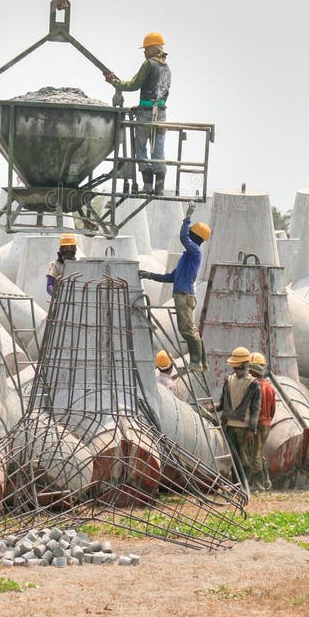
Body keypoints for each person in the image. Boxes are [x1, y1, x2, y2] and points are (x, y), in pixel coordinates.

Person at [138, 203, 211, 372]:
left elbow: (183, 237)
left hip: (184, 295)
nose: (189, 235)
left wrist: (187, 217)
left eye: (191, 232)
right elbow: (171, 277)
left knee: (186, 329)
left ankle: (196, 362)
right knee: (191, 329)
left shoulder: (194, 251)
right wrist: (149, 275)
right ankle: (203, 362)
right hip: (184, 294)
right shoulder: (187, 257)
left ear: (195, 236)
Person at [104, 32, 171, 196]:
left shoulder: (148, 64)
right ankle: (159, 188)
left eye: (146, 49)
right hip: (161, 114)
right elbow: (158, 93)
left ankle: (148, 186)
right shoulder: (166, 68)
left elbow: (134, 84)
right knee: (158, 149)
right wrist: (141, 105)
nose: (144, 52)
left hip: (147, 115)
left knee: (140, 146)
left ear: (153, 49)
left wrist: (113, 81)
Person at [216, 347, 261, 486]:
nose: (235, 369)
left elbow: (255, 409)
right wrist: (211, 408)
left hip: (244, 427)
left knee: (244, 459)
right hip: (229, 426)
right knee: (234, 458)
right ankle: (237, 485)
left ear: (243, 365)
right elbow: (222, 403)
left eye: (236, 366)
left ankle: (243, 485)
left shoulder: (253, 384)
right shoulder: (229, 380)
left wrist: (251, 429)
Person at [248, 352, 275, 491]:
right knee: (260, 452)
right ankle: (266, 482)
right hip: (267, 423)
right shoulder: (269, 387)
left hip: (257, 423)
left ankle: (258, 484)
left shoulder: (254, 386)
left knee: (255, 455)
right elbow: (273, 409)